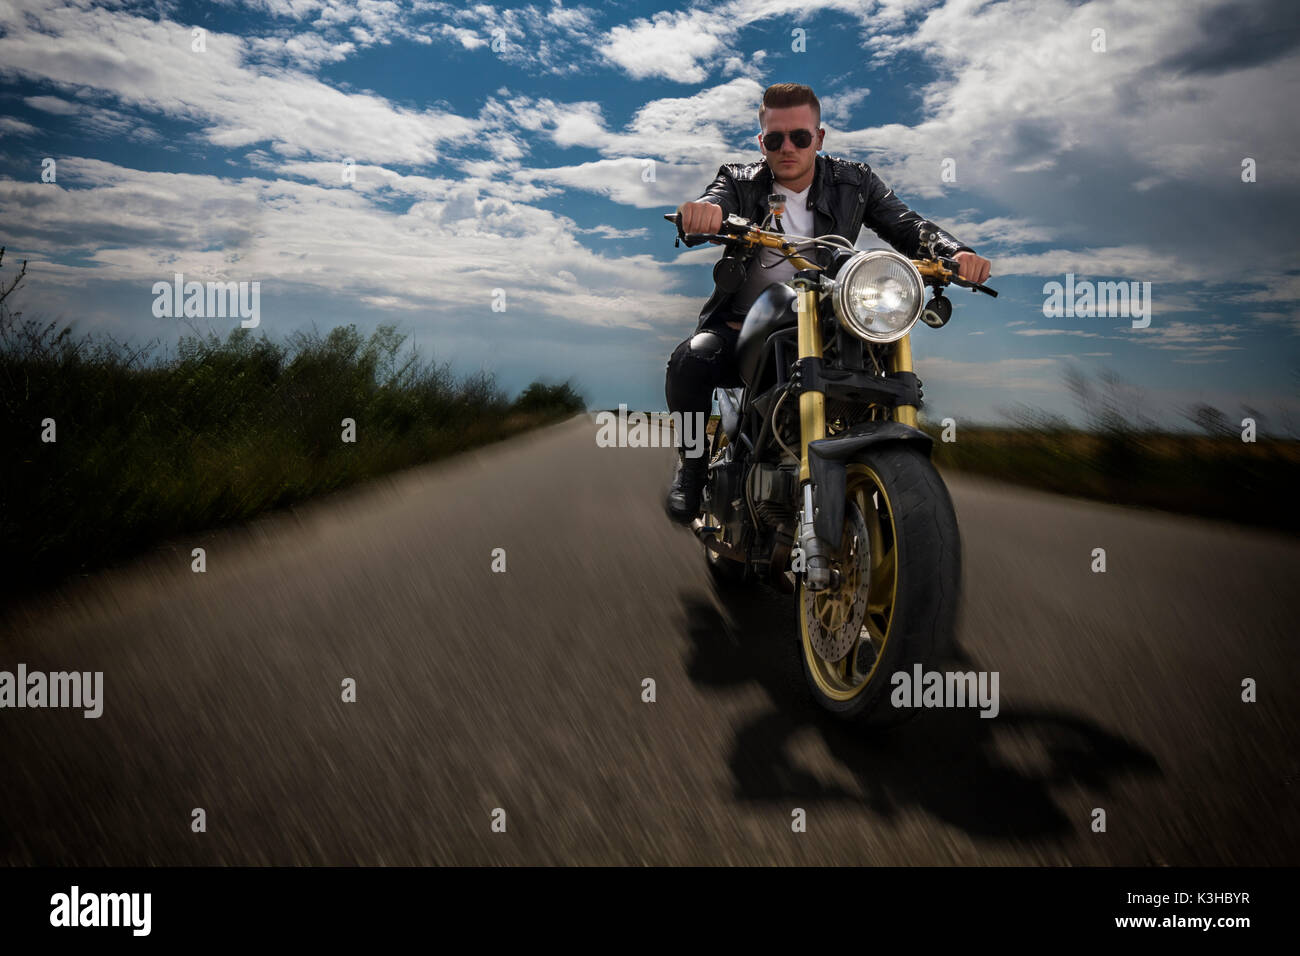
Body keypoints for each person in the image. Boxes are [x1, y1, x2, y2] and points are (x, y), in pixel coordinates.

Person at [663, 82, 991, 523]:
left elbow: (906, 224)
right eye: (775, 139)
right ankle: (693, 469)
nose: (787, 147)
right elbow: (715, 198)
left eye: (800, 137)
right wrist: (703, 212)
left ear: (819, 137)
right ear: (762, 143)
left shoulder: (856, 182)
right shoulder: (739, 179)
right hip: (745, 329)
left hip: (829, 324)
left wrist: (952, 252)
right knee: (690, 361)